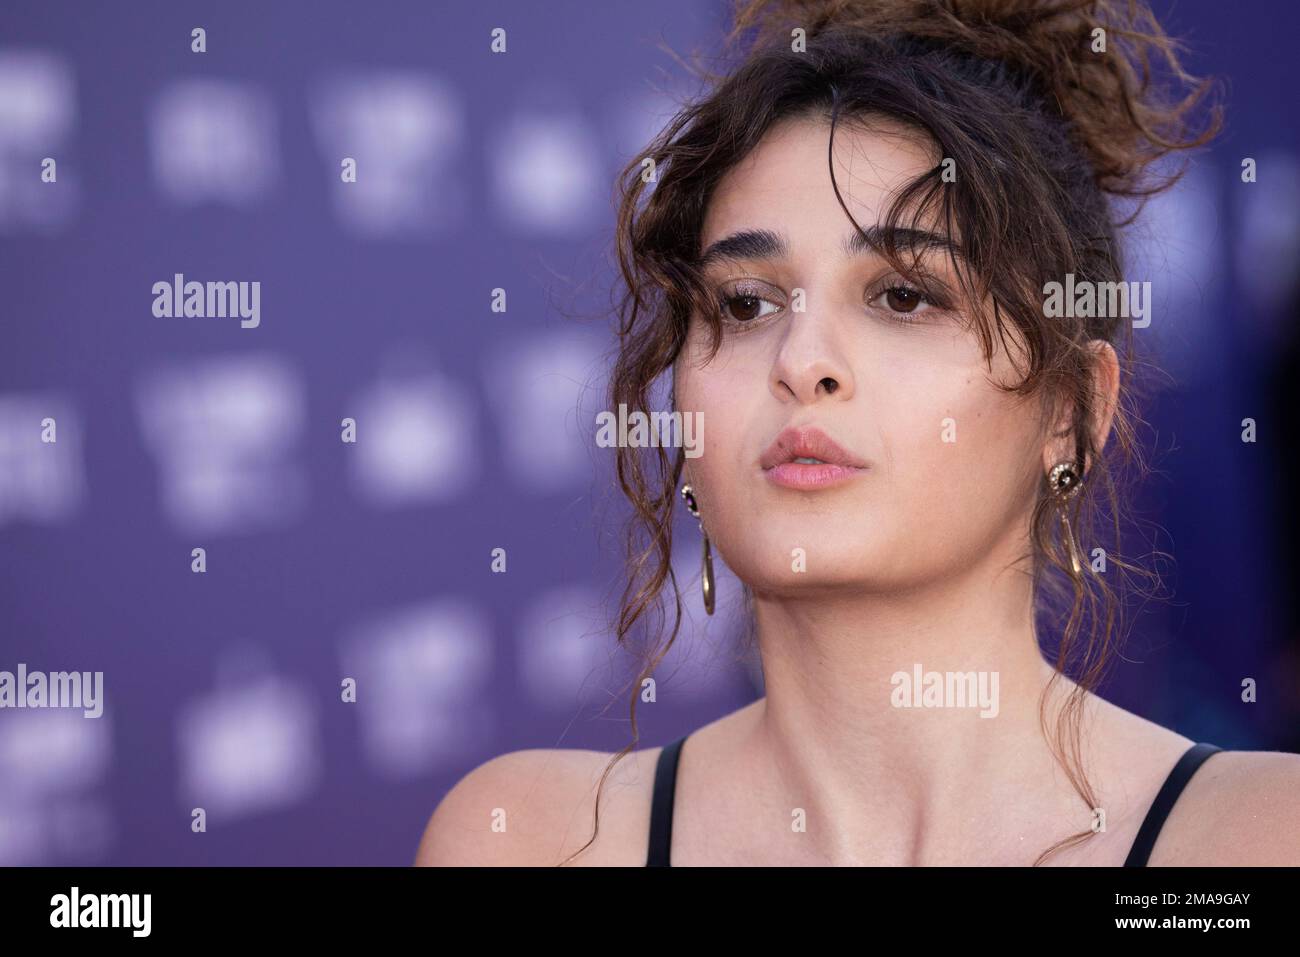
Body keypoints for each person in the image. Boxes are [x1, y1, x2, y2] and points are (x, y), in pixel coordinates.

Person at [415, 0, 1300, 866]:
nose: (803, 361)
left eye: (904, 296)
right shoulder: (535, 841)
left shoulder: (1253, 841)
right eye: (746, 303)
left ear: (1071, 412)